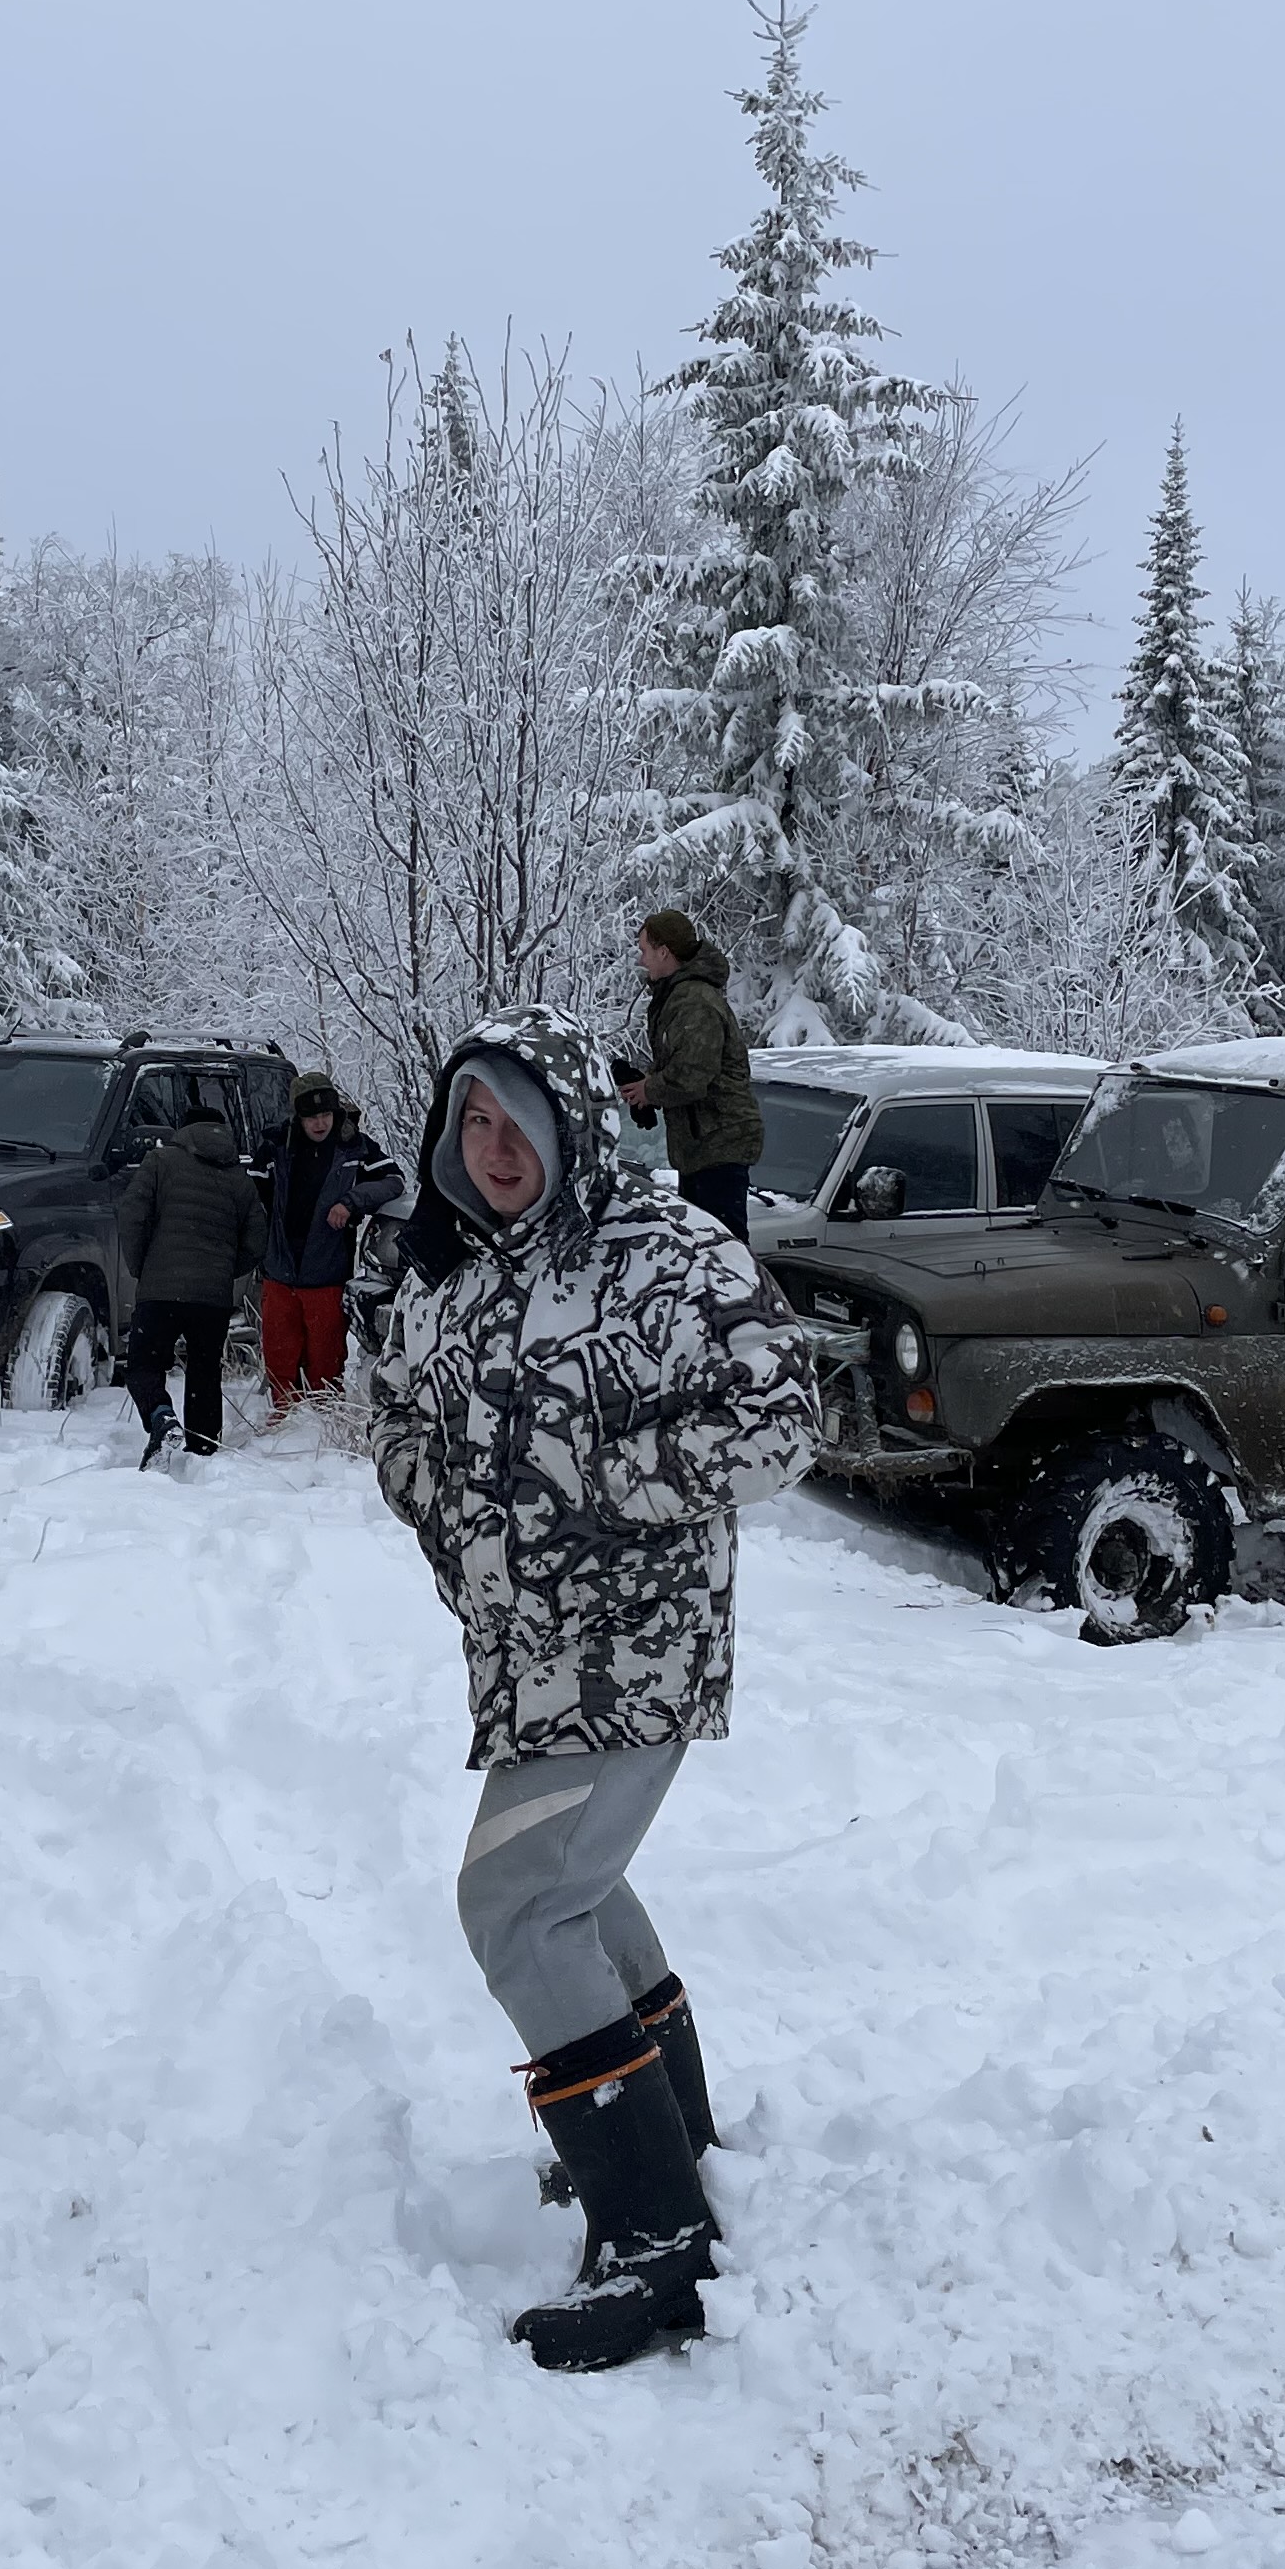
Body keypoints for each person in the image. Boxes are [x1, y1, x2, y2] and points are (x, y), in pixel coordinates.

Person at [370, 1007, 816, 2371]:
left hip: (635, 1641)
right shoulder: (453, 1266)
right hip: (519, 1652)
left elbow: (784, 1418)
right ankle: (669, 2143)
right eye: (474, 1121)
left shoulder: (670, 1254)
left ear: (576, 1117)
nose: (496, 1149)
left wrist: (605, 1486)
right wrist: (440, 1506)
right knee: (581, 1891)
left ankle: (657, 2242)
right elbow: (394, 1406)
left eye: (521, 1119)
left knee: (512, 1902)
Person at [114, 1093, 263, 1466]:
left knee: (144, 1365)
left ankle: (161, 1418)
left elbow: (132, 1214)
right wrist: (223, 1269)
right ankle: (203, 1451)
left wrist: (141, 1264)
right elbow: (257, 1241)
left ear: (185, 1130)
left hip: (160, 1290)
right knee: (204, 1369)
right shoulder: (240, 1179)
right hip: (211, 1297)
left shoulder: (160, 1161)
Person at [255, 1069, 407, 1414]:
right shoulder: (276, 1146)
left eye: (326, 1115)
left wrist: (351, 1202)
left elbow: (394, 1181)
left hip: (326, 1274)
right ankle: (283, 1421)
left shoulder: (355, 1146)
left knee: (326, 1359)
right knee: (280, 1355)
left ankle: (324, 1422)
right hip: (279, 1272)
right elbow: (250, 1192)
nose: (320, 1123)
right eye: (312, 1117)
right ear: (298, 1117)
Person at [615, 910, 762, 1239]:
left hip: (719, 1145)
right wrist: (645, 1088)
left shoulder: (694, 1001)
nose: (642, 960)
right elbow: (681, 1061)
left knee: (721, 1250)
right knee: (702, 1247)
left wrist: (650, 1090)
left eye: (645, 950)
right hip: (701, 1145)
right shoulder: (680, 997)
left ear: (664, 951)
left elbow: (693, 1074)